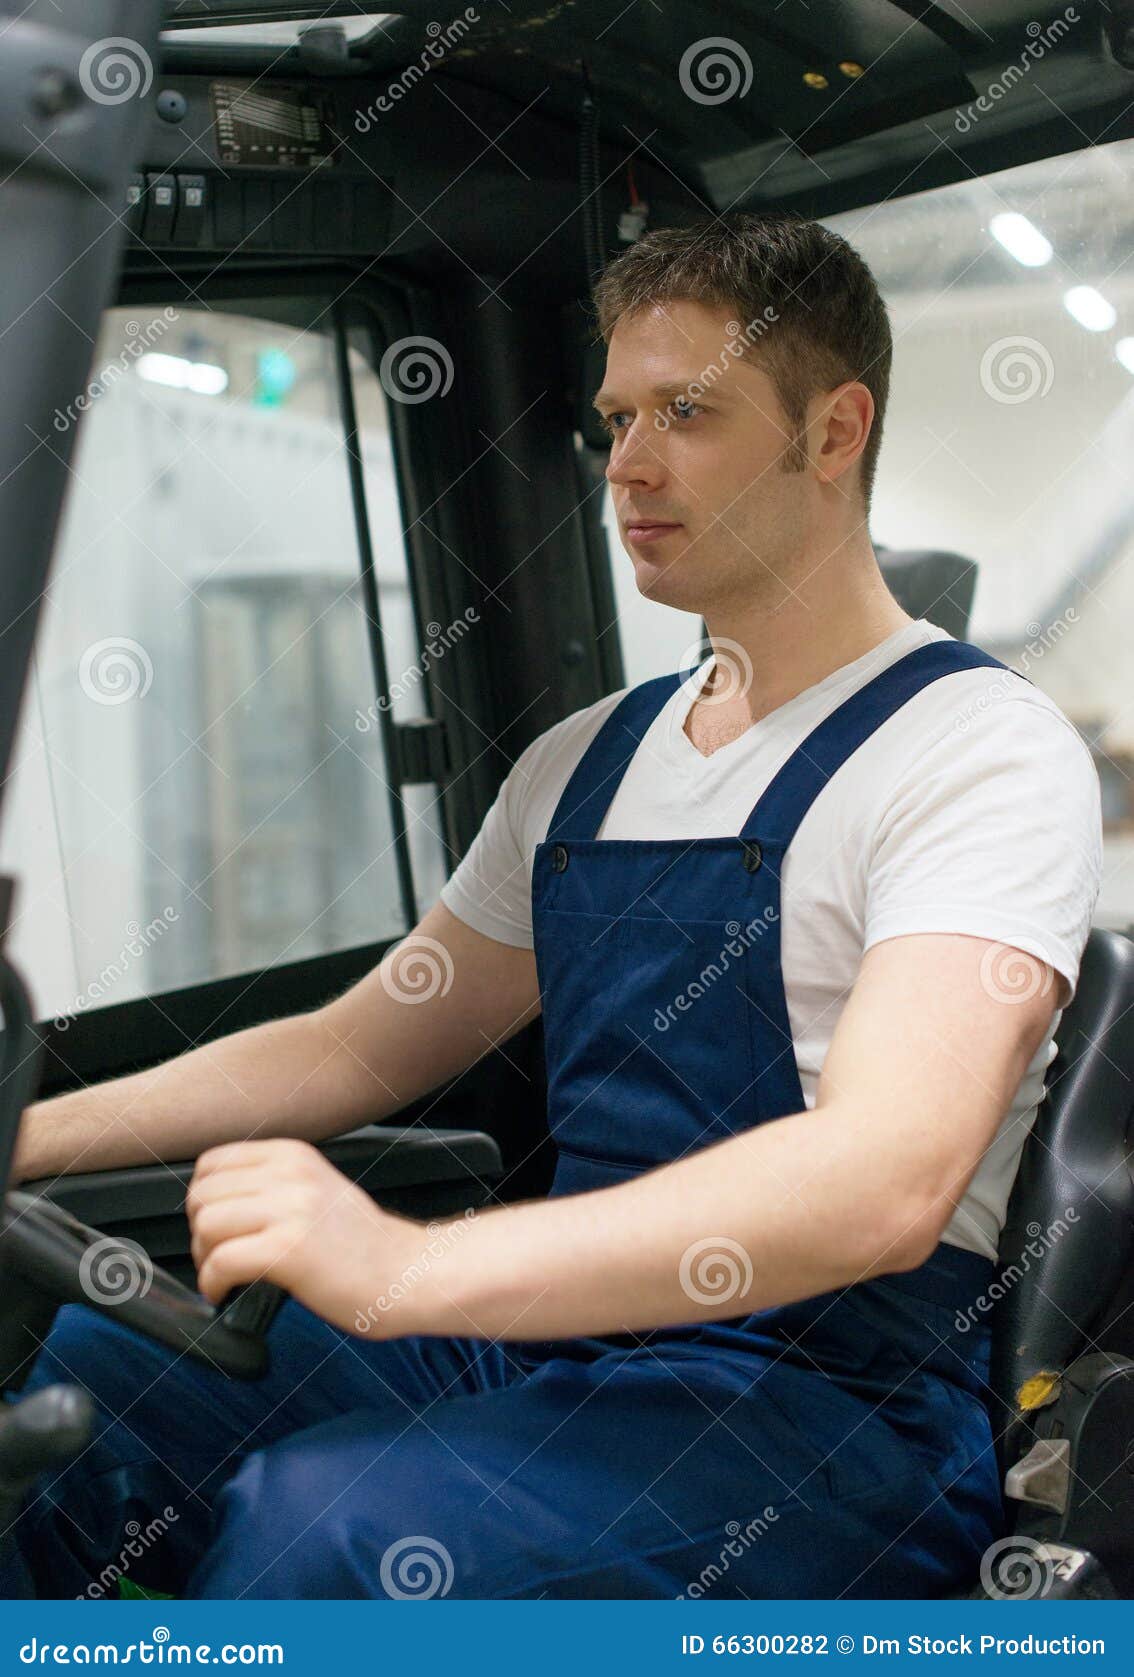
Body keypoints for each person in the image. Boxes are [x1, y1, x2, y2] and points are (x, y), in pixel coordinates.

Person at [1, 214, 1102, 1600]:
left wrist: (403, 1266)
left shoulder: (974, 752)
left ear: (834, 432)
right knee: (107, 1367)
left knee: (325, 1530)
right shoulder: (584, 762)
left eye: (686, 415)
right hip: (582, 1331)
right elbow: (352, 1050)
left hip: (825, 1399)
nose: (628, 466)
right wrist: (25, 1134)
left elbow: (883, 1180)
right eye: (616, 417)